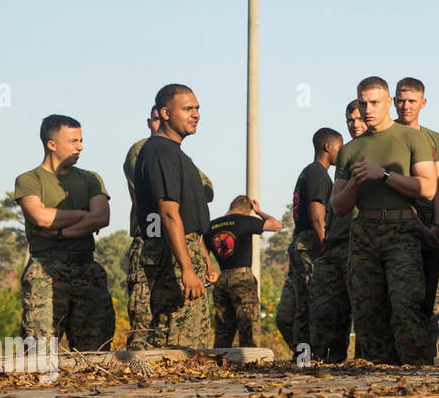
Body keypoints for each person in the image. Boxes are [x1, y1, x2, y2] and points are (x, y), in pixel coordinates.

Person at [331, 77, 437, 364]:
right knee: (367, 309)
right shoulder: (350, 150)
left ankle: (417, 371)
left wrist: (385, 176)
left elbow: (428, 188)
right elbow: (338, 207)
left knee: (405, 305)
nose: (368, 109)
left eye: (375, 102)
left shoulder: (411, 137)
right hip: (364, 231)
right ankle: (379, 373)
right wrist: (355, 181)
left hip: (401, 230)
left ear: (389, 102)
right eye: (363, 103)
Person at [13, 115, 114, 351]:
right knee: (39, 351)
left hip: (86, 268)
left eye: (80, 140)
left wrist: (59, 233)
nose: (80, 146)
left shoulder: (90, 179)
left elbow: (101, 217)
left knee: (95, 352)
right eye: (73, 141)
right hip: (46, 271)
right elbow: (39, 217)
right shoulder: (29, 180)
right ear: (51, 144)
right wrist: (83, 214)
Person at [133, 84, 218, 349]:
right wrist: (187, 268)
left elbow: (189, 219)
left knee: (194, 344)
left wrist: (204, 260)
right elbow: (168, 214)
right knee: (173, 343)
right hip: (170, 253)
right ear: (165, 113)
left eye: (197, 109)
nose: (195, 115)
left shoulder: (177, 154)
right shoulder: (159, 152)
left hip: (188, 249)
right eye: (188, 109)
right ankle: (165, 391)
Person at [393, 78, 439, 362]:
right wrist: (419, 226)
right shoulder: (385, 134)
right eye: (401, 100)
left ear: (423, 103)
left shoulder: (433, 138)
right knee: (402, 296)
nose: (405, 106)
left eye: (412, 101)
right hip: (399, 224)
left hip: (431, 225)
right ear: (393, 101)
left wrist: (436, 226)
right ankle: (394, 359)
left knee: (431, 295)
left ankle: (425, 359)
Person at [276, 127, 342, 357]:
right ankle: (308, 357)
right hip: (310, 243)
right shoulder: (318, 174)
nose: (341, 154)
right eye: (339, 148)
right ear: (327, 146)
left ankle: (303, 355)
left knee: (296, 307)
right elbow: (317, 216)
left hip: (299, 241)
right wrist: (327, 247)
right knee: (307, 306)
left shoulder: (307, 172)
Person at [309, 102, 366, 362]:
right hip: (335, 244)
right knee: (328, 311)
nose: (354, 124)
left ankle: (369, 365)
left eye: (358, 119)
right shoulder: (344, 157)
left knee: (365, 311)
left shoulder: (378, 148)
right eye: (349, 120)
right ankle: (327, 363)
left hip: (363, 241)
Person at [206, 196, 282, 348]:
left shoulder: (211, 226)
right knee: (248, 325)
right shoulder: (244, 220)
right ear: (247, 211)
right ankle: (250, 364)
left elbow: (201, 244)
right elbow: (276, 225)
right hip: (242, 277)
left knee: (223, 329)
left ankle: (219, 363)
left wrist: (209, 267)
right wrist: (259, 212)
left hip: (221, 279)